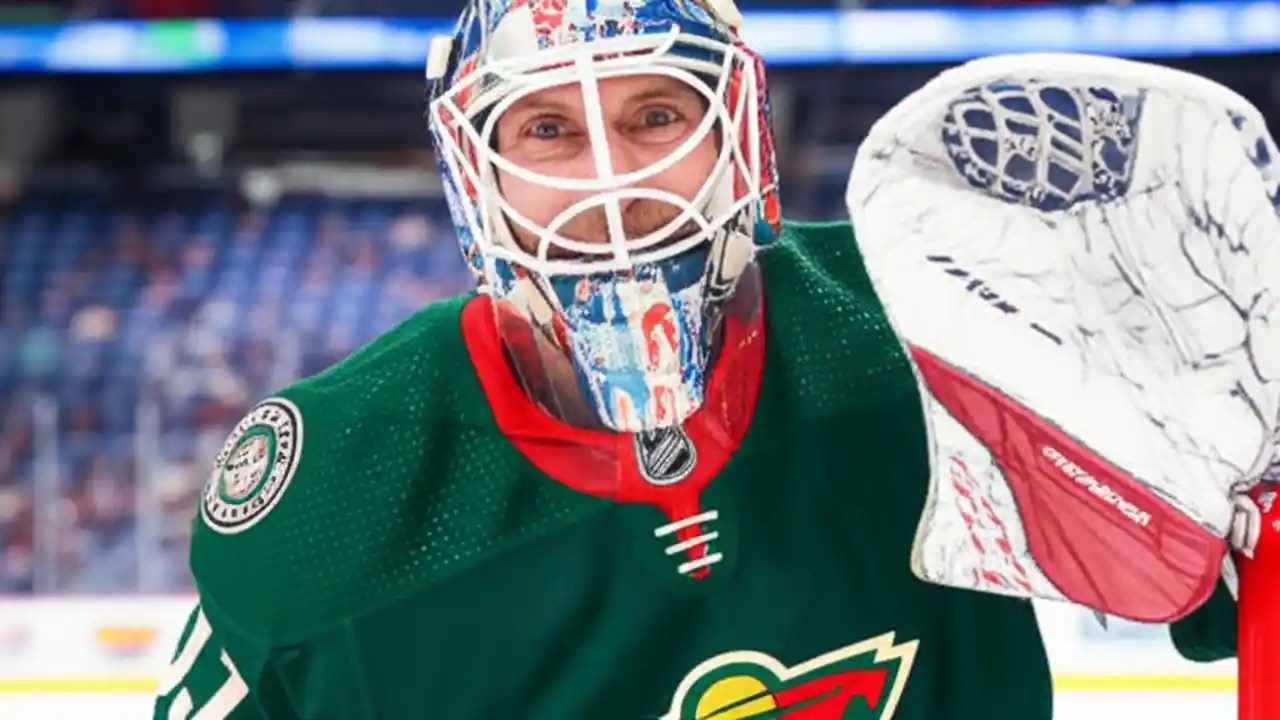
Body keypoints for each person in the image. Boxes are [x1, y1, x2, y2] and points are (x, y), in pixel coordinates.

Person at [152, 1, 1240, 718]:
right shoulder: (338, 490)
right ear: (469, 174)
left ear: (739, 137)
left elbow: (1224, 587)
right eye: (545, 133)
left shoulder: (929, 323)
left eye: (656, 116)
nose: (612, 184)